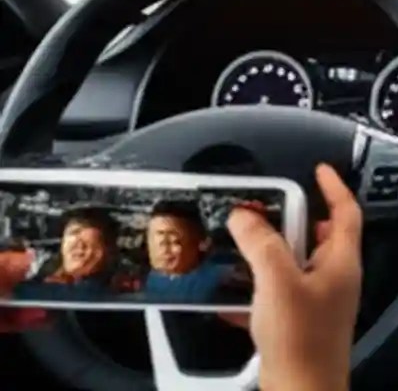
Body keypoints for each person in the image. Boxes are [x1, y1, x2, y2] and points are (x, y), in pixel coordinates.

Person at [0, 163, 363, 391]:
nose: (166, 250)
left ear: (201, 244)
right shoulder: (48, 282)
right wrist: (309, 376)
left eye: (175, 239)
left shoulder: (222, 279)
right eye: (159, 241)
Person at [0, 207, 129, 302]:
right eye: (73, 233)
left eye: (87, 245)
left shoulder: (98, 291)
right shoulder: (42, 270)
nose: (79, 247)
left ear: (107, 252)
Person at [143, 200, 238, 303]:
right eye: (156, 243)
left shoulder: (217, 282)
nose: (163, 251)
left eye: (175, 242)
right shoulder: (154, 279)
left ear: (202, 243)